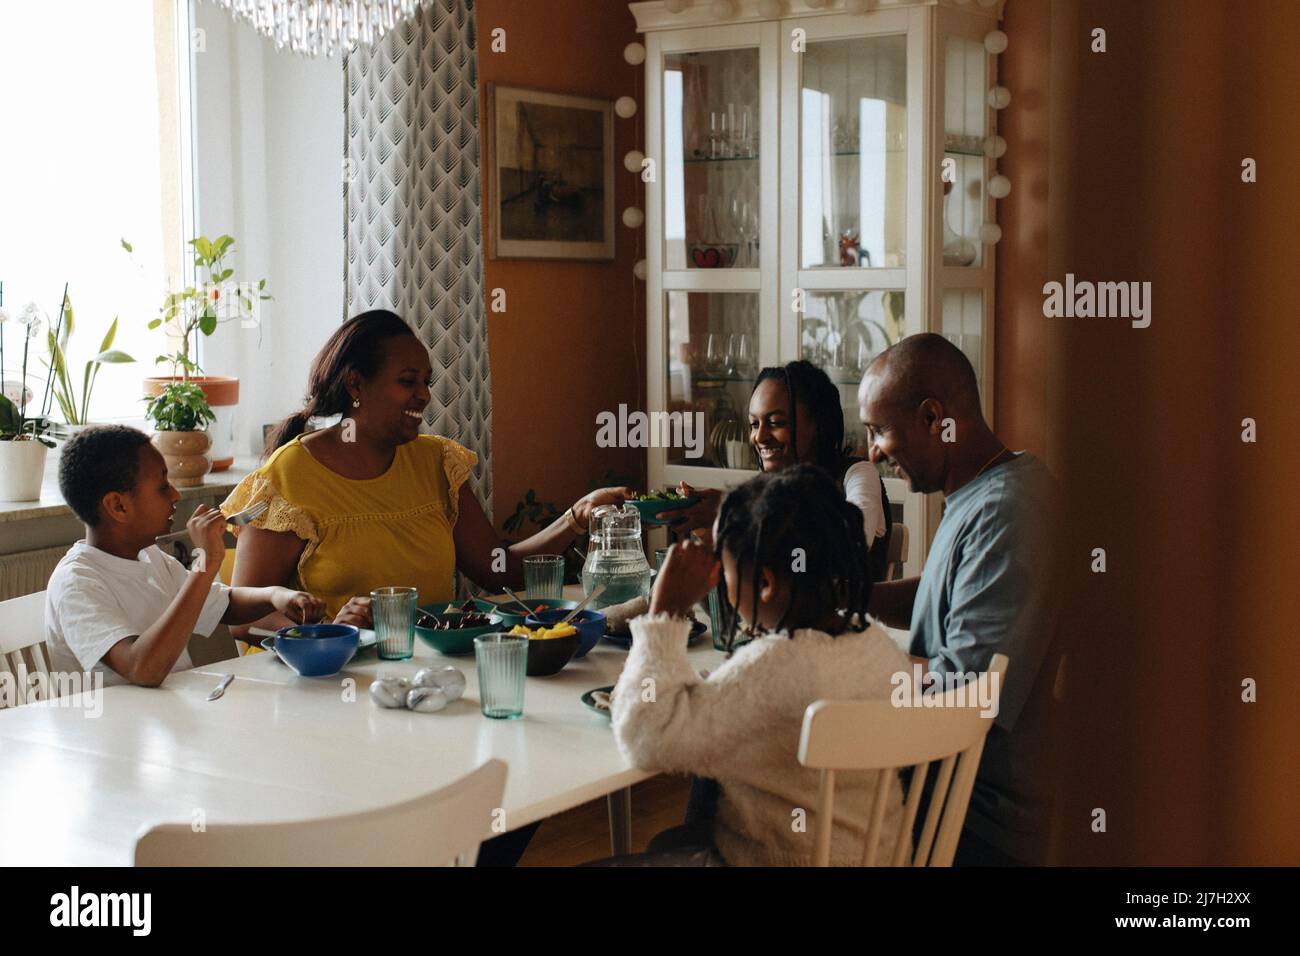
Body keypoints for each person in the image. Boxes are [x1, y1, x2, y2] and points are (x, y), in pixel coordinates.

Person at [221, 310, 633, 633]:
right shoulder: (289, 475)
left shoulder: (436, 462)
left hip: (427, 675)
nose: (424, 394)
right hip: (333, 686)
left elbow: (498, 570)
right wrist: (331, 632)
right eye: (407, 381)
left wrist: (577, 516)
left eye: (426, 381)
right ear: (355, 385)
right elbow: (246, 618)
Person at [603, 465, 912, 866]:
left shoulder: (773, 669)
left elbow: (643, 739)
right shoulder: (878, 648)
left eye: (727, 573)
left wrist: (664, 613)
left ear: (764, 583)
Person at [858, 333, 1059, 865]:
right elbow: (941, 597)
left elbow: (967, 693)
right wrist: (852, 599)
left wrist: (849, 669)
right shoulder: (983, 492)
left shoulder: (1008, 511)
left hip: (970, 813)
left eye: (879, 431)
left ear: (932, 418)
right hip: (937, 773)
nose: (873, 452)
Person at [44, 426, 325, 688]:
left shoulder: (151, 558)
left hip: (167, 723)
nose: (176, 495)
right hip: (104, 734)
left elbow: (222, 605)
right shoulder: (77, 583)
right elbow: (142, 668)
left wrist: (274, 595)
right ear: (118, 506)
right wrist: (206, 564)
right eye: (163, 486)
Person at [667, 360, 892, 580]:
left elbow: (848, 546)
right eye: (754, 424)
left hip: (846, 618)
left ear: (818, 424)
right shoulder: (769, 492)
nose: (759, 437)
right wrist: (710, 536)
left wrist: (739, 514)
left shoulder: (857, 474)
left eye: (775, 422)